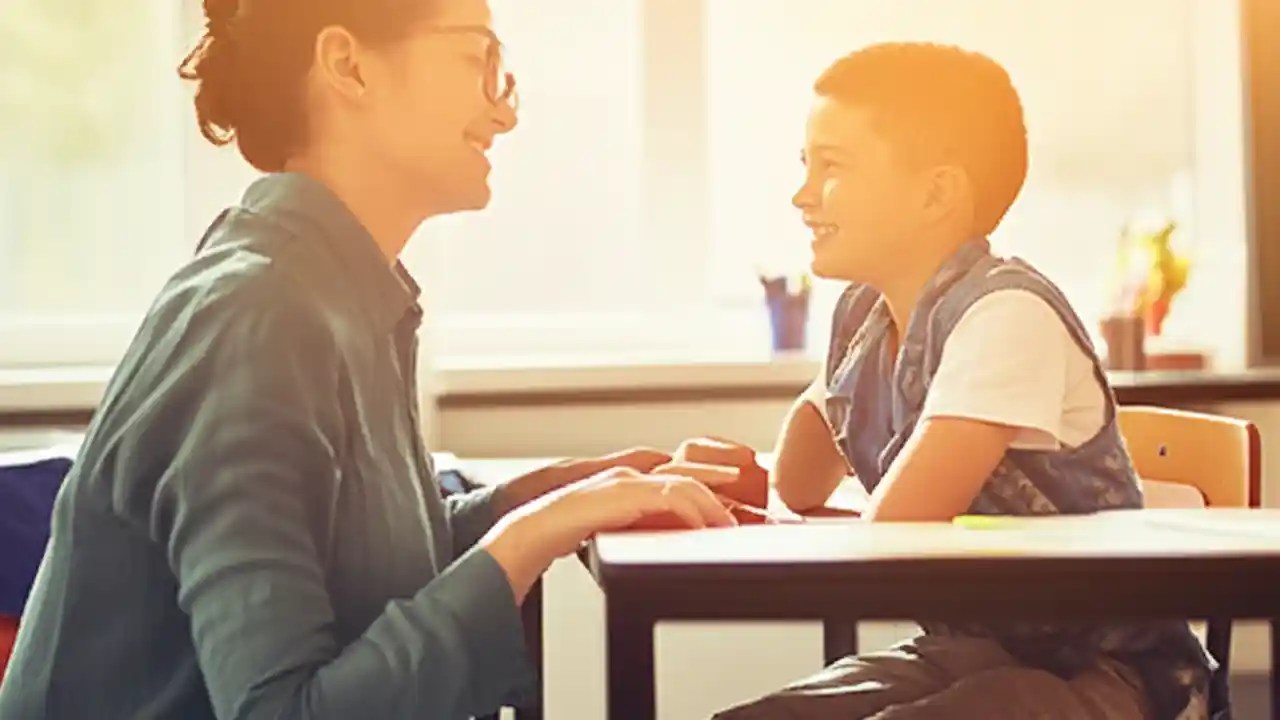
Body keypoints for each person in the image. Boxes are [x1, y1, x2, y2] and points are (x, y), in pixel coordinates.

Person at [0, 1, 739, 718]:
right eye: (476, 58)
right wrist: (524, 541)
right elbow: (283, 709)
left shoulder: (328, 289)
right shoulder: (257, 318)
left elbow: (357, 563)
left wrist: (556, 500)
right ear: (348, 66)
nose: (504, 110)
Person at [692, 43, 1213, 719]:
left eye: (832, 168)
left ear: (937, 192)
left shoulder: (1006, 315)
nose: (801, 195)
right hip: (982, 651)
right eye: (805, 166)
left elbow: (893, 537)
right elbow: (799, 481)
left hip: (1110, 675)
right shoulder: (870, 316)